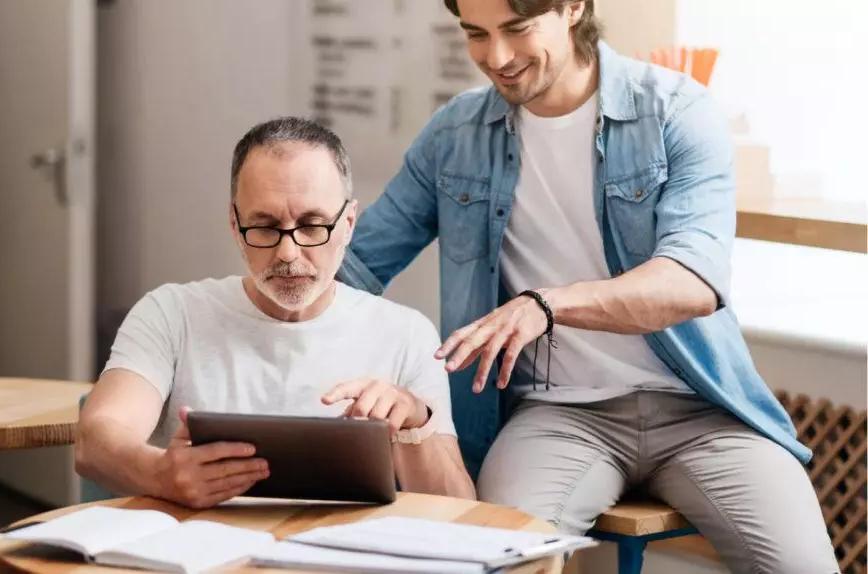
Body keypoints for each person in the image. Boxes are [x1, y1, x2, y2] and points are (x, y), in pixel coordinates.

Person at [336, 0, 837, 571]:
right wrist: (257, 300)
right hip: (556, 416)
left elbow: (692, 280)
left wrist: (546, 305)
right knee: (494, 561)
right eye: (476, 34)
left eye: (517, 30)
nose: (496, 58)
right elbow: (356, 266)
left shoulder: (676, 111)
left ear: (573, 6)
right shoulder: (455, 135)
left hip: (703, 411)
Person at [75, 117, 475, 510]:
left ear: (349, 224)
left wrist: (414, 423)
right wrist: (161, 473)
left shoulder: (405, 334)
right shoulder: (171, 314)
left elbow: (459, 513)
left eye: (312, 225)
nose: (288, 253)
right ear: (235, 224)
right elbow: (96, 441)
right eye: (265, 227)